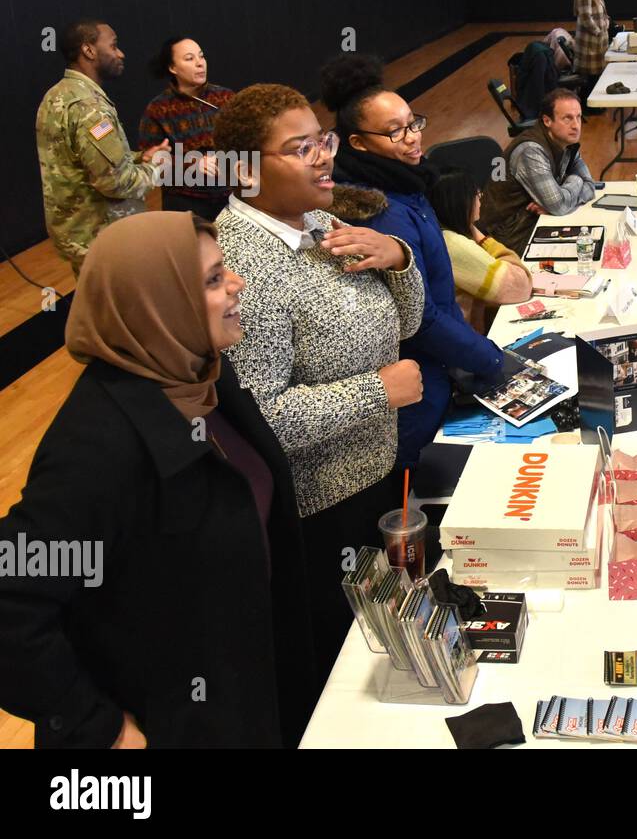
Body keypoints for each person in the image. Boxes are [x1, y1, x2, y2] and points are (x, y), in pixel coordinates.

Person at [0, 212, 315, 747]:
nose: (238, 283)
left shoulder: (203, 376)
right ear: (157, 304)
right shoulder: (96, 447)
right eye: (214, 279)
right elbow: (10, 602)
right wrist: (98, 727)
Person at [212, 83, 425, 682]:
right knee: (342, 675)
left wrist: (397, 257)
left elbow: (404, 324)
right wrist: (377, 392)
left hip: (373, 475)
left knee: (385, 653)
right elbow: (262, 418)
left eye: (323, 141)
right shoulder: (245, 265)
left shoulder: (317, 222)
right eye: (300, 148)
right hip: (318, 510)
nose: (323, 157)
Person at [321, 54, 506, 467]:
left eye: (412, 123)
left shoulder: (404, 182)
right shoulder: (381, 211)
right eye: (394, 131)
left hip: (438, 368)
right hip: (418, 390)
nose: (412, 138)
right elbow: (419, 318)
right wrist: (488, 359)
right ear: (357, 142)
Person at [35, 18, 168, 275]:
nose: (121, 53)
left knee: (101, 310)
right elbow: (115, 182)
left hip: (80, 237)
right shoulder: (90, 107)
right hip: (107, 239)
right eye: (114, 45)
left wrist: (140, 157)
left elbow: (81, 160)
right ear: (89, 50)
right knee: (127, 313)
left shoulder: (55, 96)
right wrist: (156, 167)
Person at [479, 88, 597, 255]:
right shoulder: (530, 151)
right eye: (567, 118)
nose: (576, 126)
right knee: (583, 249)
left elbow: (590, 186)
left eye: (578, 117)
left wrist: (561, 197)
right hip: (509, 236)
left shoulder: (566, 142)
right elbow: (560, 205)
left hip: (536, 222)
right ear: (547, 121)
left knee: (593, 239)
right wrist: (575, 181)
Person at [137, 36, 237, 221]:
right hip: (186, 199)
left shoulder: (225, 97)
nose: (200, 64)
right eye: (190, 59)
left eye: (201, 56)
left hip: (230, 193)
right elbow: (150, 160)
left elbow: (247, 140)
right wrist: (193, 164)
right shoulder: (158, 109)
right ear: (172, 68)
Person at [423, 165, 532, 333]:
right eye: (475, 193)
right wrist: (483, 239)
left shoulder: (438, 234)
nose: (480, 197)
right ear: (459, 203)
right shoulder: (453, 244)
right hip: (470, 340)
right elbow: (520, 286)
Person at [573, 0, 610, 84]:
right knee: (590, 82)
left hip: (597, 44)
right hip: (590, 46)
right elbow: (585, 18)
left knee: (596, 80)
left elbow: (602, 12)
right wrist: (599, 31)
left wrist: (606, 20)